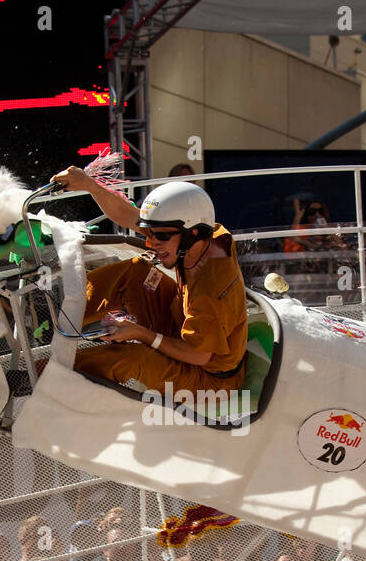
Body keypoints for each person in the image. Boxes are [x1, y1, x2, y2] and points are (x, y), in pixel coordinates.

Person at [49, 166, 248, 396]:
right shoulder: (196, 236)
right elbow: (128, 216)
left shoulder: (210, 291)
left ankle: (43, 375)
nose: (153, 243)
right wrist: (89, 185)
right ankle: (60, 316)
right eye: (151, 233)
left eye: (161, 236)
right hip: (182, 327)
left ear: (193, 233)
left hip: (209, 378)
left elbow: (199, 355)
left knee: (129, 358)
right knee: (136, 271)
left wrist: (140, 333)